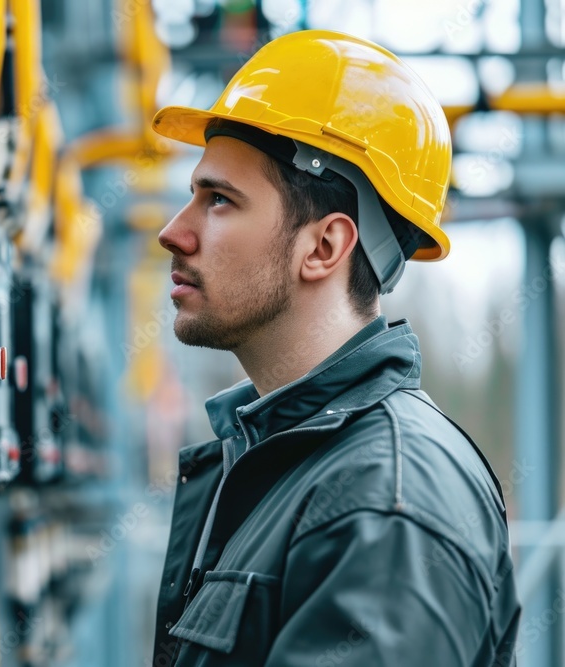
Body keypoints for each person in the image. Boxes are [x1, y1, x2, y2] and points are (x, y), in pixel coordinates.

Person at [149, 29, 521, 666]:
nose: (172, 232)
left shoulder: (385, 507)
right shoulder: (282, 460)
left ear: (323, 248)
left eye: (218, 200)